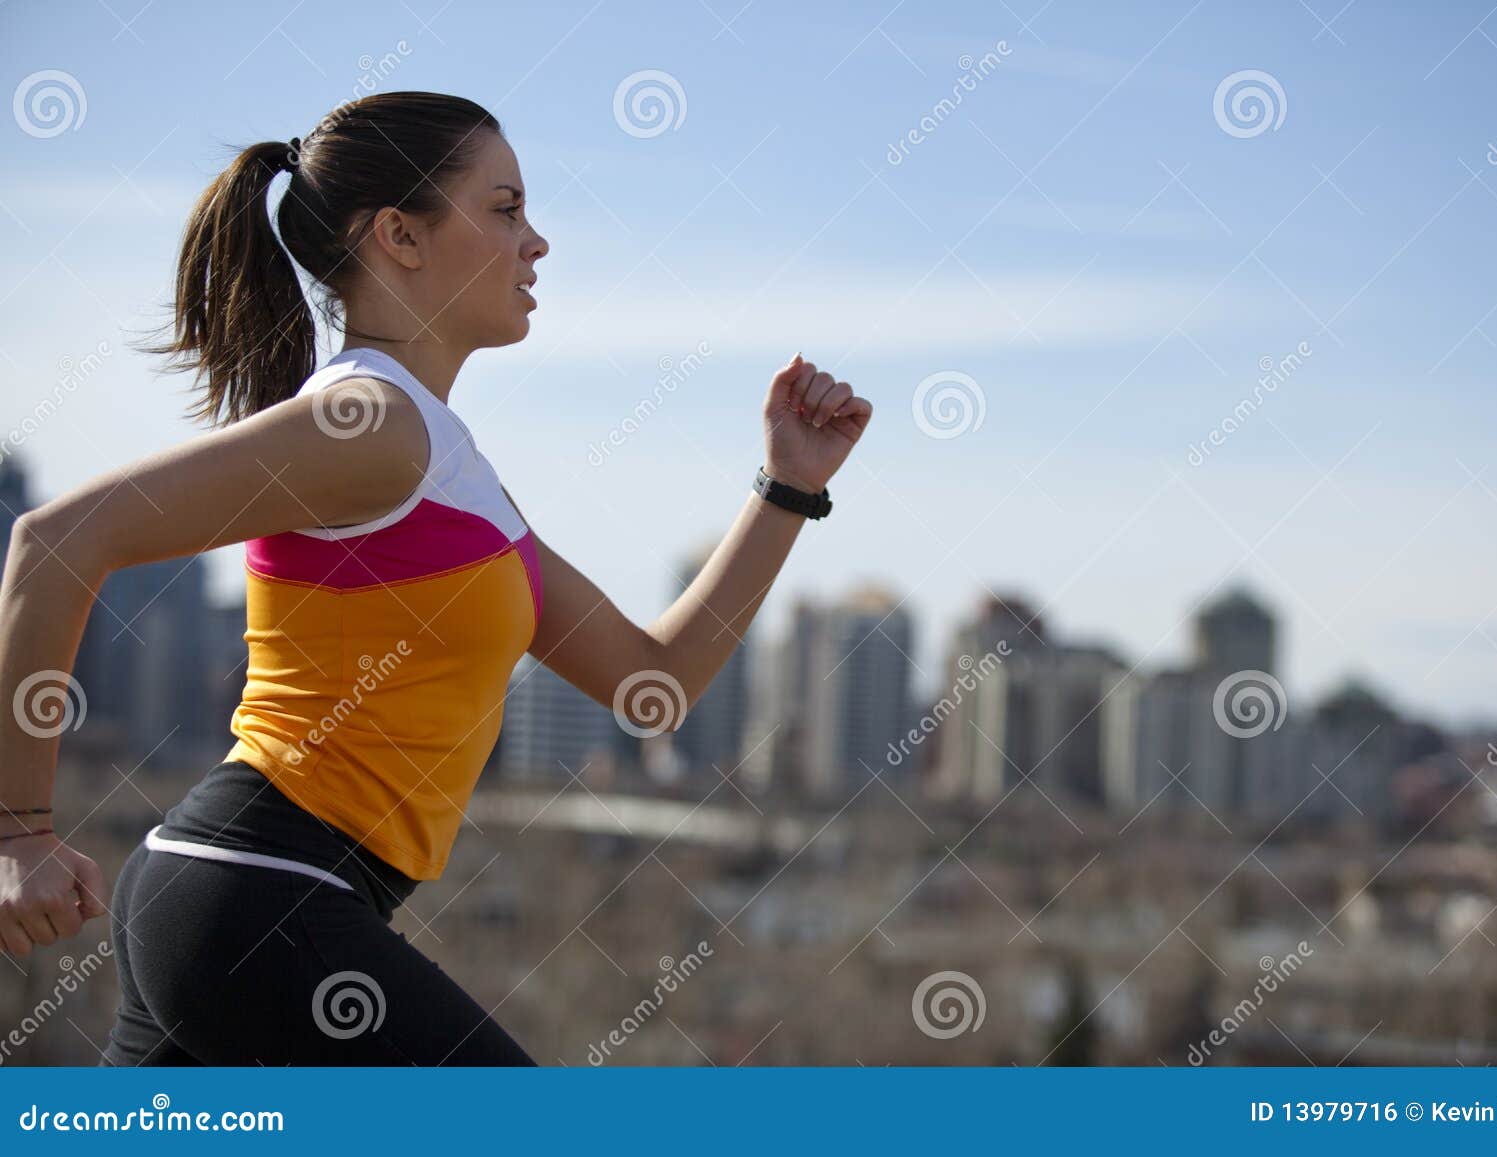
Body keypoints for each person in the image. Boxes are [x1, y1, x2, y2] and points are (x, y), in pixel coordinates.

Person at [0, 91, 872, 1065]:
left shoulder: (449, 469)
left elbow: (652, 681)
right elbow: (56, 541)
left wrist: (787, 486)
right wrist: (19, 831)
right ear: (400, 237)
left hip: (247, 899)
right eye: (503, 209)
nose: (535, 242)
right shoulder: (370, 423)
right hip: (263, 890)